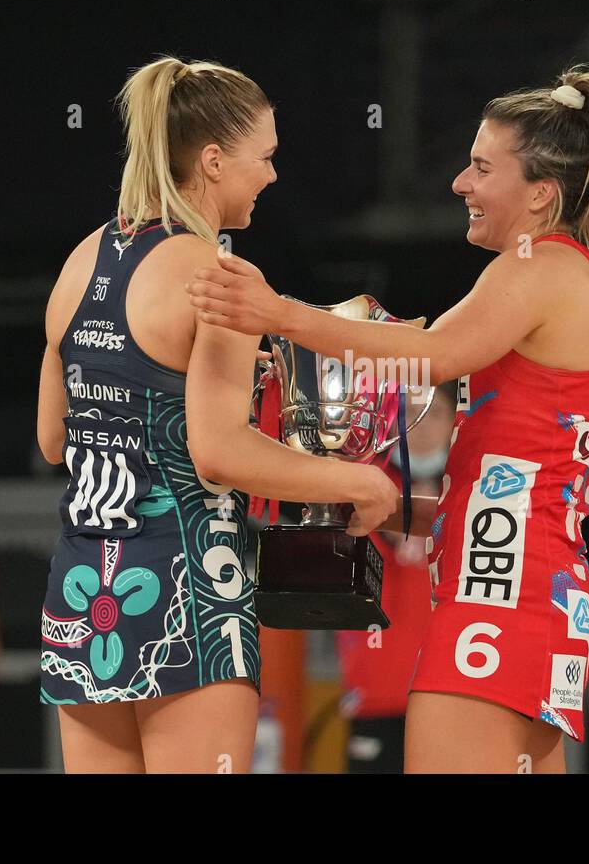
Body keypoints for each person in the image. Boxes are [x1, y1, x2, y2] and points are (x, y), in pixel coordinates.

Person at [188, 65, 589, 773]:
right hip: (540, 597)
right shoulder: (572, 276)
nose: (461, 183)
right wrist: (399, 509)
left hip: (497, 599)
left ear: (541, 194)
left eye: (482, 167)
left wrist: (278, 314)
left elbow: (427, 356)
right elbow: (514, 482)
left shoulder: (539, 267)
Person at [35, 56, 398, 774]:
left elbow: (55, 441)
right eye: (263, 157)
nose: (270, 175)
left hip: (82, 589)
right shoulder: (222, 275)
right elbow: (219, 454)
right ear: (212, 160)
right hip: (185, 583)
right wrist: (358, 485)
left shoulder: (80, 260)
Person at [336, 386, 452, 773]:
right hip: (376, 697)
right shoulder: (356, 484)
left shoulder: (475, 493)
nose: (420, 425)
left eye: (434, 413)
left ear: (456, 423)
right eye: (411, 413)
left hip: (449, 696)